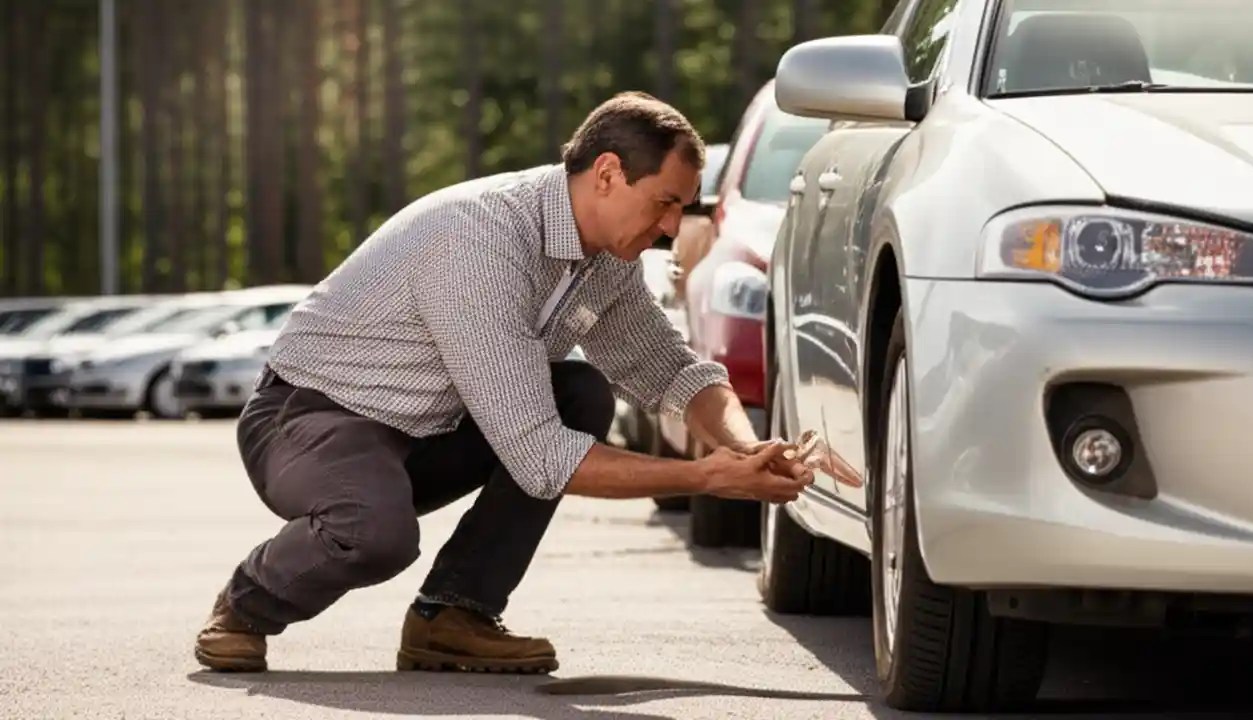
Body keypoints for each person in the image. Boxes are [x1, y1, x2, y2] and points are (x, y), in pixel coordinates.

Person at [194, 91, 815, 675]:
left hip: (422, 434)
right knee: (375, 533)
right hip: (310, 421)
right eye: (666, 203)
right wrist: (706, 478)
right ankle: (247, 604)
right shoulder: (480, 240)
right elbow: (540, 457)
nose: (673, 229)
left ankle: (454, 611)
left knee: (581, 394)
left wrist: (745, 447)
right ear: (606, 174)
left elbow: (674, 370)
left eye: (683, 207)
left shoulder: (603, 259)